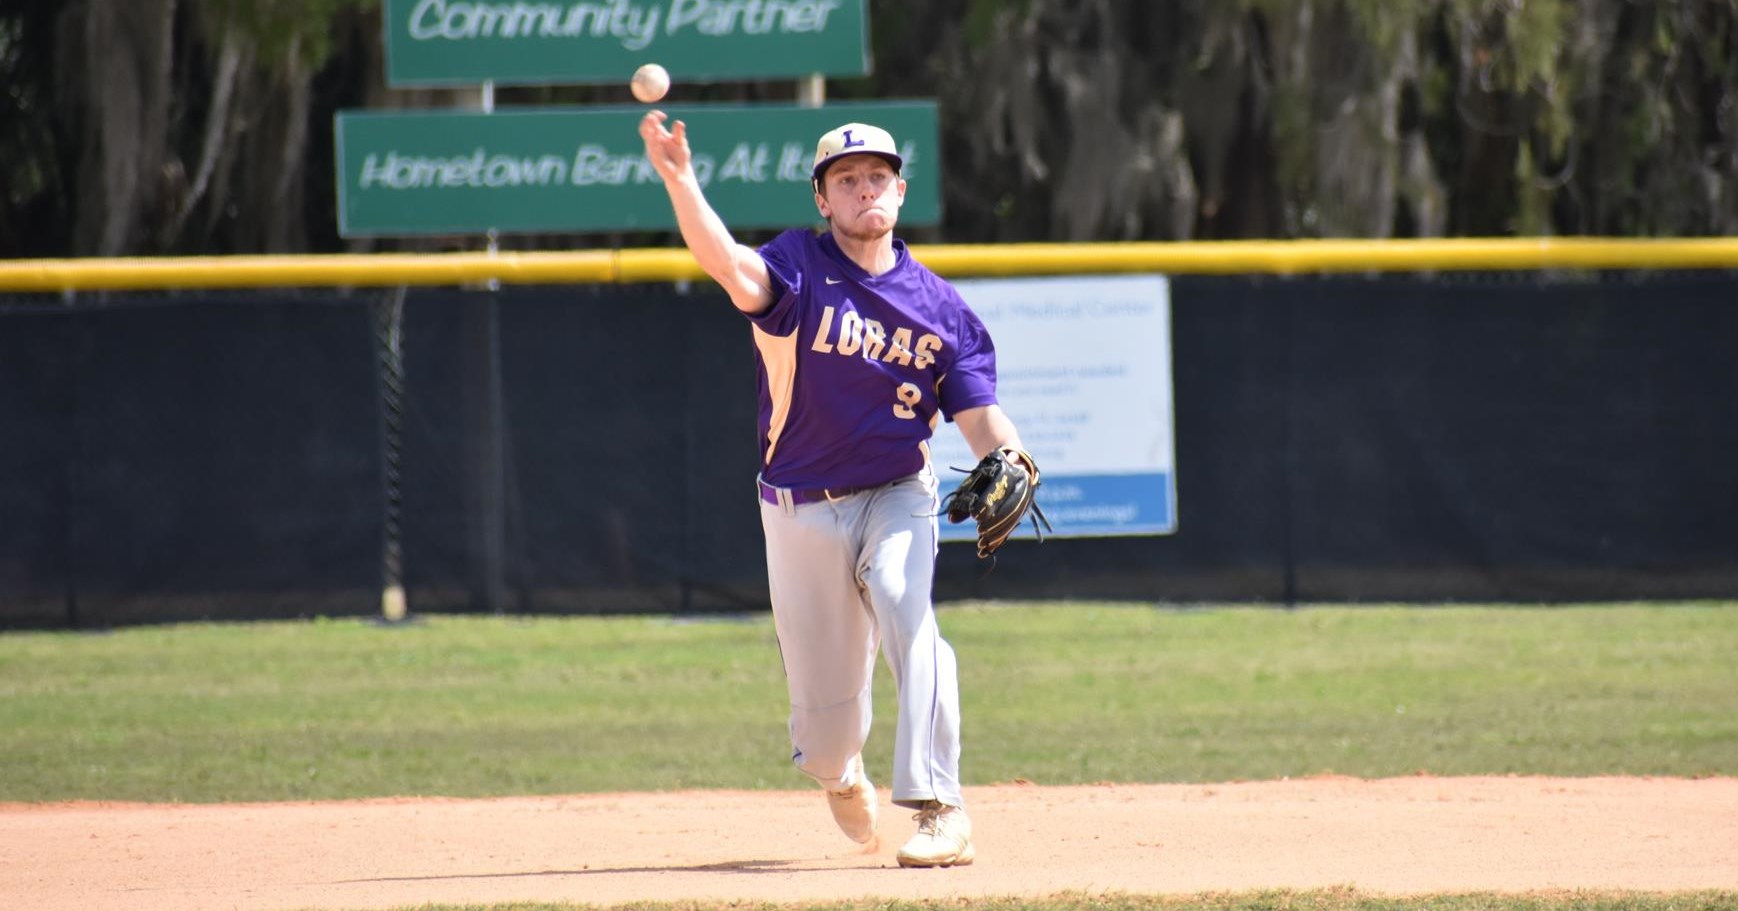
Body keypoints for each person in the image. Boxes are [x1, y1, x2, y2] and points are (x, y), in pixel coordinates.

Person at [638, 111, 1036, 868]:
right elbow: (726, 263)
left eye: (877, 176)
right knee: (825, 734)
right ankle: (840, 771)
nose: (864, 189)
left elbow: (981, 417)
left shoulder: (942, 309)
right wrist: (681, 179)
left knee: (907, 607)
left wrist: (1009, 454)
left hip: (897, 490)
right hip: (798, 508)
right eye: (846, 179)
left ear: (900, 190)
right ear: (823, 199)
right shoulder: (796, 269)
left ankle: (942, 807)